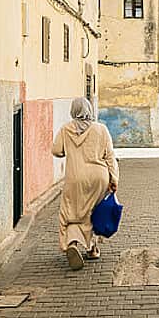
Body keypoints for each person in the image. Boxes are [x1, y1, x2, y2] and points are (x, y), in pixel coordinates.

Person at [50, 97, 119, 270]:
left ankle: (72, 243)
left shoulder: (66, 129)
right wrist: (114, 179)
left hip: (75, 178)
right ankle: (92, 249)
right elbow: (110, 156)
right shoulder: (101, 129)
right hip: (99, 177)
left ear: (73, 111)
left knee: (72, 211)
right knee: (94, 212)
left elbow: (56, 150)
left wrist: (68, 151)